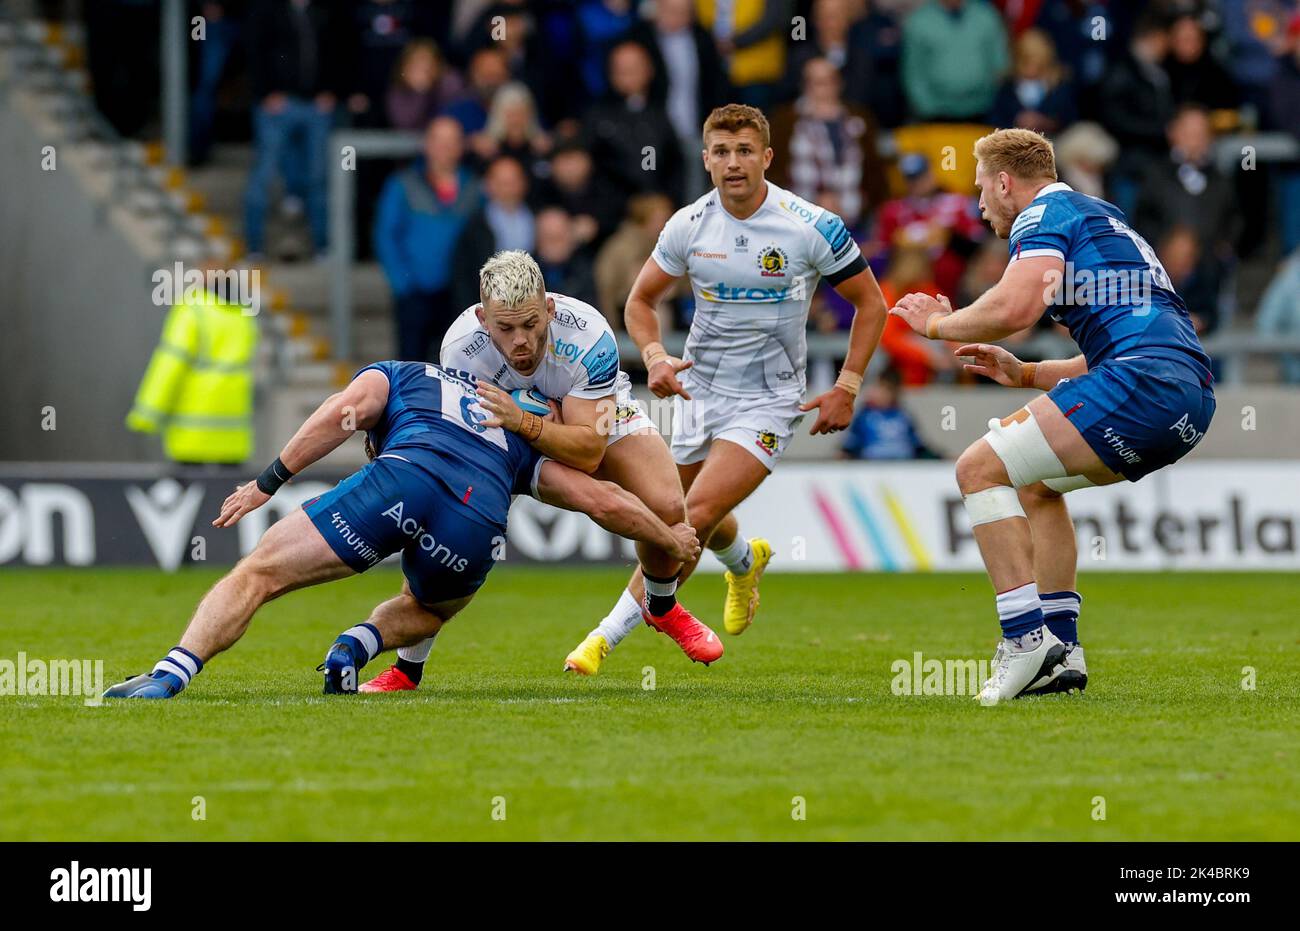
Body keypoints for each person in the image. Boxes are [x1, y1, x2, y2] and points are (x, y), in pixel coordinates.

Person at [104, 361, 700, 699]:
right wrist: (670, 538)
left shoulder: (400, 375)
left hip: (403, 479)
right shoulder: (517, 428)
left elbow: (342, 414)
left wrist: (270, 479)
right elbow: (599, 499)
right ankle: (356, 645)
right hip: (476, 518)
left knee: (259, 573)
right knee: (431, 608)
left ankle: (169, 674)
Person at [888, 128, 1215, 704]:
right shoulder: (1103, 215)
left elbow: (1015, 307)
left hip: (1142, 381)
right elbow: (1122, 341)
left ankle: (1024, 642)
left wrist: (938, 325)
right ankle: (1063, 653)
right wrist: (1025, 373)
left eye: (982, 188)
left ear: (1006, 182)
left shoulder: (1042, 215)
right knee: (1036, 486)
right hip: (1187, 393)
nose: (980, 202)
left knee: (977, 470)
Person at [363, 251, 723, 690]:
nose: (521, 341)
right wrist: (526, 423)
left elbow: (589, 451)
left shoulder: (588, 334)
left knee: (668, 505)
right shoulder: (460, 350)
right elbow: (462, 440)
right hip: (503, 437)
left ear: (549, 308)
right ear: (482, 318)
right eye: (506, 328)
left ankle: (660, 606)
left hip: (589, 420)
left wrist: (527, 419)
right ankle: (406, 669)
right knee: (447, 529)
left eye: (532, 324)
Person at [620, 103, 888, 652]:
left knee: (691, 517)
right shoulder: (689, 224)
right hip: (700, 390)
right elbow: (641, 301)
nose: (733, 162)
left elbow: (872, 304)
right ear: (706, 159)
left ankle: (607, 636)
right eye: (722, 151)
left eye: (745, 151)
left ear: (767, 156)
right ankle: (746, 562)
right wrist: (654, 357)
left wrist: (848, 385)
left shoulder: (811, 225)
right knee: (678, 513)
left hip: (770, 397)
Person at [126, 266, 258, 466]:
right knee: (231, 494)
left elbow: (169, 365)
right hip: (234, 437)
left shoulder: (194, 310)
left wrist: (146, 414)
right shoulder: (243, 316)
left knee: (191, 493)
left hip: (190, 434)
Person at [373, 116, 481, 361]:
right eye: (439, 141)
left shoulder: (475, 188)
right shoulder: (403, 184)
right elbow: (386, 236)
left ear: (462, 146)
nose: (445, 148)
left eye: (452, 141)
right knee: (411, 366)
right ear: (427, 145)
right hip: (415, 293)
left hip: (461, 296)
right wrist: (403, 284)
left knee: (458, 366)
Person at [450, 156, 536, 311]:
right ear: (489, 185)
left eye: (513, 182)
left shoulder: (538, 219)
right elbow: (463, 277)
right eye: (502, 183)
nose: (508, 189)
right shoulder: (474, 226)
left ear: (524, 184)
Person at [901, 0, 1009, 122]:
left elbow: (1000, 64)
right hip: (934, 114)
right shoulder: (920, 20)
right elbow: (913, 71)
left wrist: (992, 102)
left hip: (982, 111)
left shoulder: (986, 16)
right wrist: (926, 107)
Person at [840, 368, 936, 460]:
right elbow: (851, 444)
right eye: (876, 387)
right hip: (871, 467)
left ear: (894, 392)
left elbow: (919, 446)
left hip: (904, 466)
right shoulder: (864, 416)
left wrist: (940, 457)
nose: (876, 392)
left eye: (883, 389)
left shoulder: (903, 415)